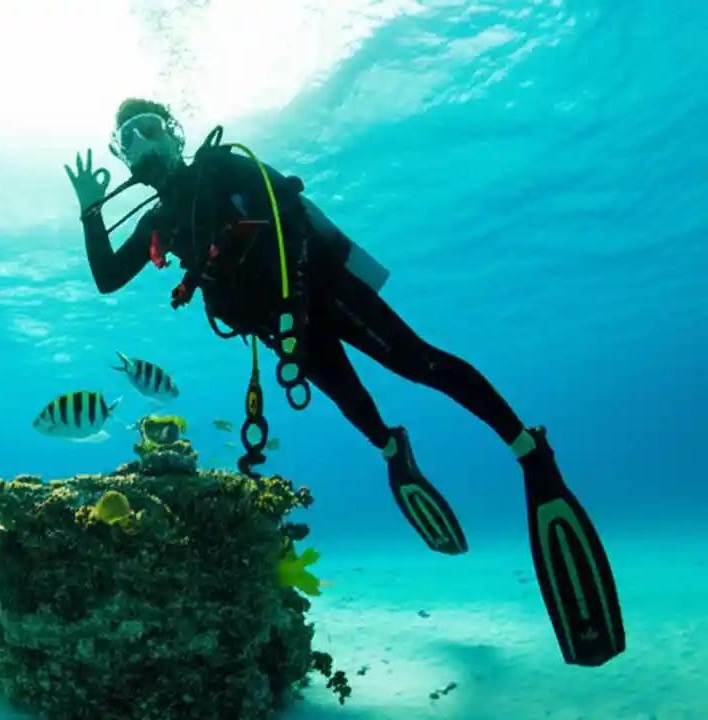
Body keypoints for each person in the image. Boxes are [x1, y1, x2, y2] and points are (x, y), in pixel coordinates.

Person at [64, 98, 625, 668]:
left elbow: (288, 208)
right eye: (126, 138)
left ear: (174, 135)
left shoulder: (224, 167)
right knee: (351, 403)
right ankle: (394, 451)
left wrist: (268, 269)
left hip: (325, 295)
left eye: (149, 129)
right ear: (120, 154)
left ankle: (530, 452)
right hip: (285, 333)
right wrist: (90, 211)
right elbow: (109, 278)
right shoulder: (156, 223)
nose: (139, 144)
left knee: (418, 363)